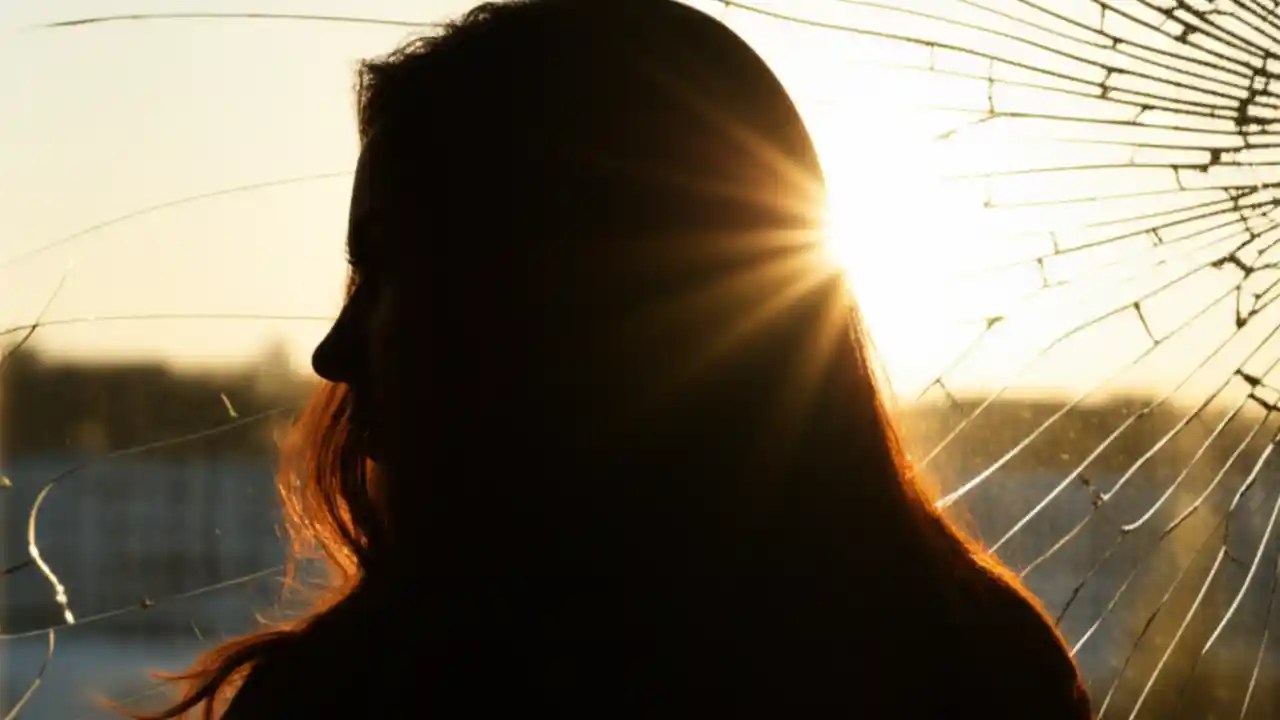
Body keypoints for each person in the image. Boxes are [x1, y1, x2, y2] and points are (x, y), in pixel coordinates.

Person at [141, 0, 1093, 717]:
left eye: (395, 276)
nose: (334, 354)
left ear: (552, 314)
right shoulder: (982, 666)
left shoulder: (364, 696)